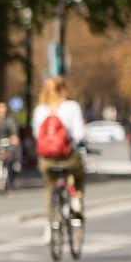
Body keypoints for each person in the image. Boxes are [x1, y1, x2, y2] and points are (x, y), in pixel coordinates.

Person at [32, 75, 86, 242]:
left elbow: (36, 134)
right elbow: (79, 134)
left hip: (47, 159)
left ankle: (49, 227)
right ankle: (76, 201)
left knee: (50, 188)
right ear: (62, 89)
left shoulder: (40, 109)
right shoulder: (71, 107)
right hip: (68, 157)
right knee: (79, 177)